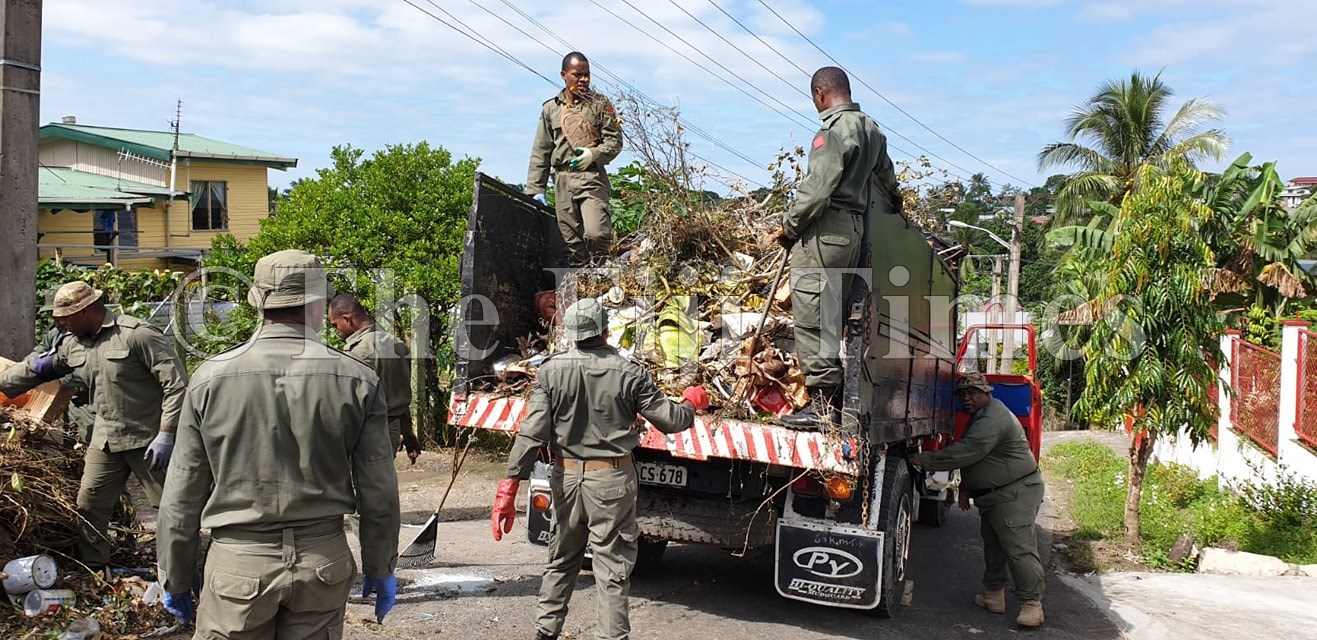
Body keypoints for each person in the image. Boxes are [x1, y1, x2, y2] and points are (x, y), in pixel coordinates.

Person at [156, 250, 401, 636]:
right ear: (319, 303)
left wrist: (176, 575)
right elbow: (378, 489)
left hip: (237, 564)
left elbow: (182, 493)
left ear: (257, 302)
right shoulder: (357, 380)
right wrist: (380, 565)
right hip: (322, 562)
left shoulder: (209, 379)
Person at [492, 298, 706, 640]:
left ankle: (545, 634)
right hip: (611, 481)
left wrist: (510, 485)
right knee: (612, 570)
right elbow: (670, 420)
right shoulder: (630, 372)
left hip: (565, 479)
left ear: (572, 333)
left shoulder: (551, 370)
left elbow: (532, 433)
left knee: (560, 561)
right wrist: (692, 402)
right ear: (606, 331)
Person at [0, 281, 187, 569]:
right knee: (89, 506)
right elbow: (35, 370)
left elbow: (176, 386)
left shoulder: (137, 335)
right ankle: (95, 569)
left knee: (170, 509)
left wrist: (167, 433)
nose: (61, 323)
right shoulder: (71, 344)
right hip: (106, 439)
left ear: (87, 311)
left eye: (65, 317)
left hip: (147, 440)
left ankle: (180, 574)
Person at [769, 66, 901, 430]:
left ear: (820, 94)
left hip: (826, 229)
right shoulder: (872, 130)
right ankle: (834, 397)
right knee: (834, 310)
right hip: (855, 231)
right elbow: (888, 180)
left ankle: (822, 406)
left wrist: (788, 227)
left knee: (814, 311)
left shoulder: (832, 132)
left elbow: (817, 190)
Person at [906, 372, 1045, 628]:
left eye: (972, 393)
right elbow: (981, 459)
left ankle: (1032, 605)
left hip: (1015, 492)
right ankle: (994, 595)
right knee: (994, 546)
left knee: (1018, 548)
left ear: (987, 393)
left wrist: (923, 460)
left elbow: (970, 451)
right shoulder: (980, 416)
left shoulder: (993, 418)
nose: (966, 398)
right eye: (963, 394)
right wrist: (967, 489)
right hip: (996, 494)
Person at [527, 51, 624, 266]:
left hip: (591, 178)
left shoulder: (599, 105)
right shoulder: (551, 109)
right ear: (564, 75)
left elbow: (615, 142)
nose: (583, 80)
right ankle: (583, 285)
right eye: (577, 75)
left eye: (586, 75)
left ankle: (601, 271)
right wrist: (536, 189)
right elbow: (541, 151)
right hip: (562, 180)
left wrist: (594, 154)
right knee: (571, 243)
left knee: (596, 234)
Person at [328, 292, 421, 463]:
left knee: (358, 486)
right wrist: (407, 433)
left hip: (366, 432)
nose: (336, 331)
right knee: (380, 484)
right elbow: (400, 397)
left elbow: (347, 404)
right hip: (392, 430)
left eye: (335, 325)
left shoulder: (357, 352)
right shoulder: (397, 346)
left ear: (348, 319)